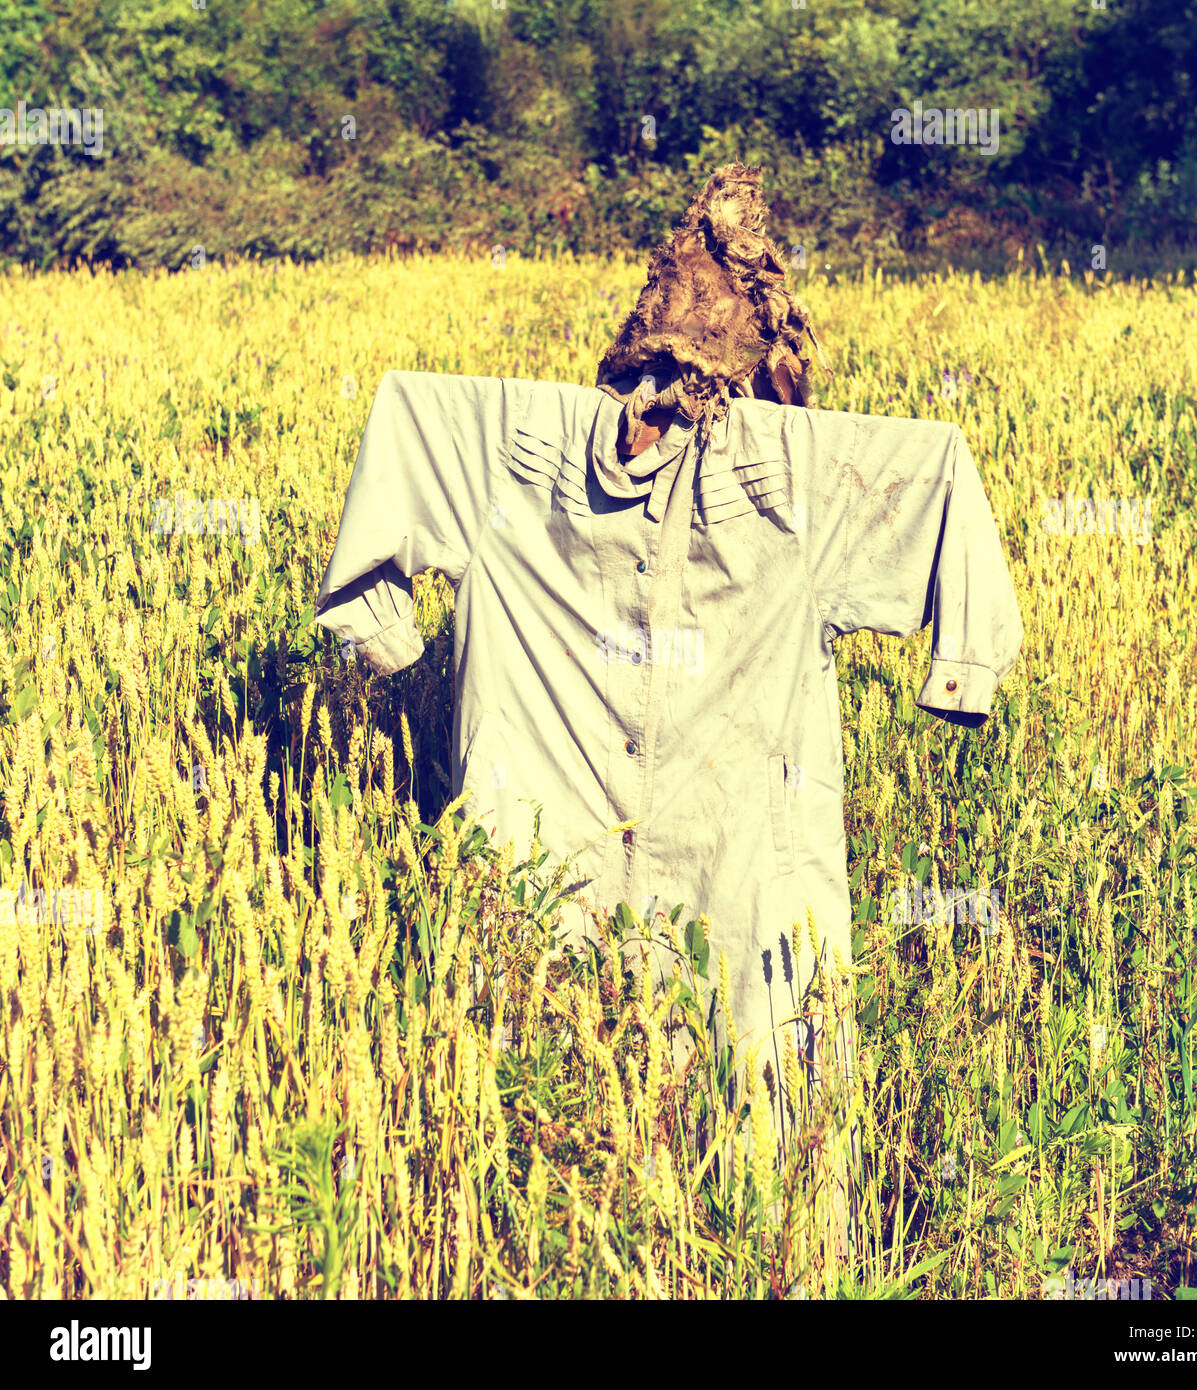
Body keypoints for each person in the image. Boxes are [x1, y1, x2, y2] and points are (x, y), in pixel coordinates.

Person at [315, 162, 1024, 1264]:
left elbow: (935, 477)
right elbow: (411, 423)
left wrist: (966, 661)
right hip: (545, 848)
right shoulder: (519, 450)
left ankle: (747, 1256)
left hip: (734, 852)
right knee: (527, 1092)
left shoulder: (795, 477)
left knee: (750, 1057)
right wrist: (376, 616)